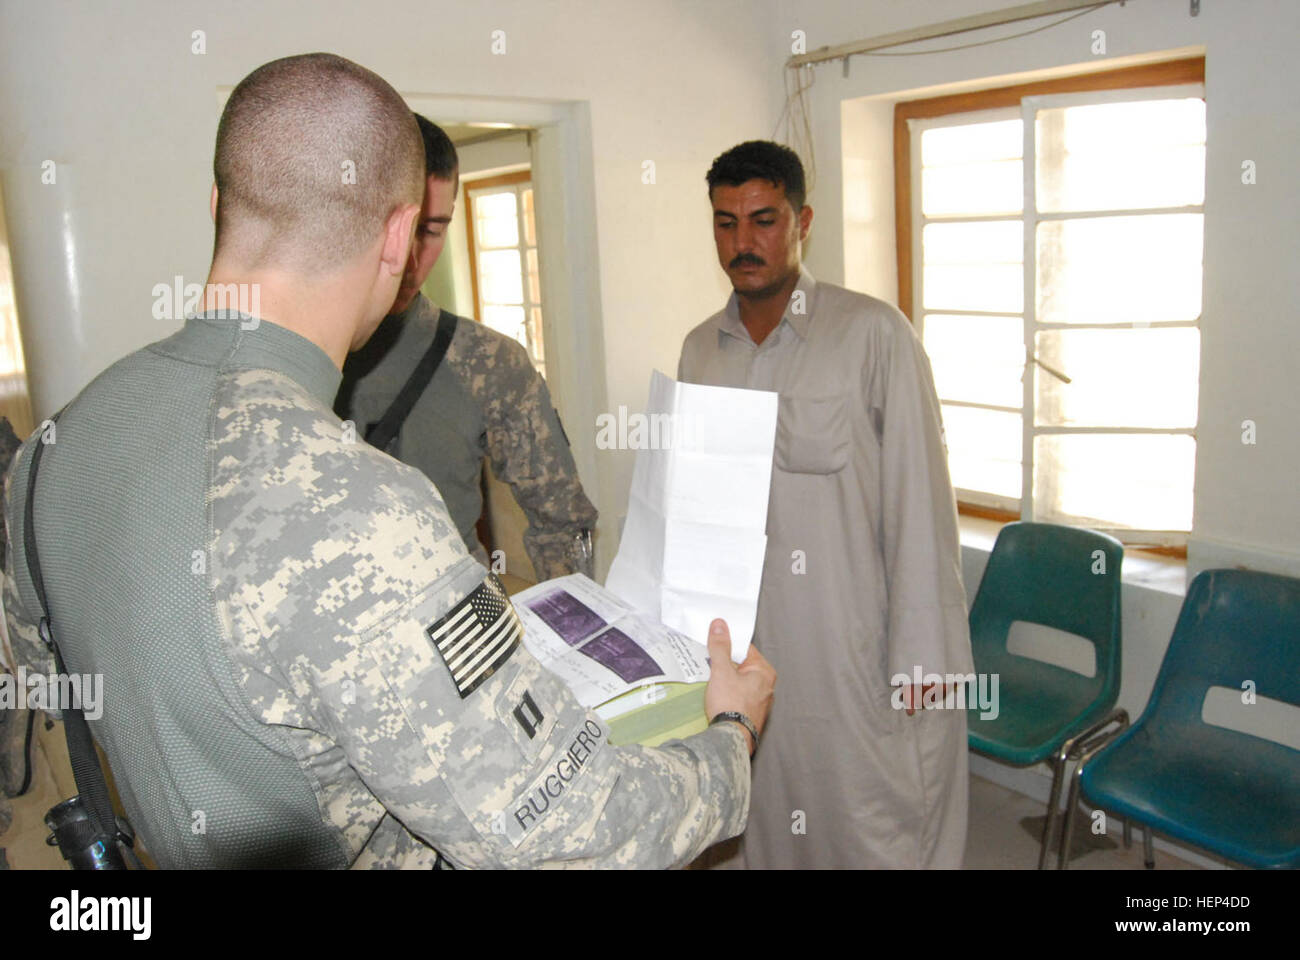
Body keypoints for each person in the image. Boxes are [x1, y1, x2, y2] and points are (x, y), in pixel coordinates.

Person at [1, 54, 774, 869]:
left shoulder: (56, 450)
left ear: (220, 205)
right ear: (403, 238)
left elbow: (53, 682)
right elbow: (568, 835)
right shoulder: (361, 512)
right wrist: (730, 737)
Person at [678, 140, 972, 869]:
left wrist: (923, 660)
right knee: (766, 810)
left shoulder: (873, 335)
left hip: (853, 642)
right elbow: (691, 508)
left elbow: (922, 507)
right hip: (753, 644)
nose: (743, 243)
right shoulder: (698, 352)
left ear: (803, 221)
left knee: (875, 814)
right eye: (724, 223)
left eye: (764, 220)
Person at [335, 115, 596, 581]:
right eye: (402, 227)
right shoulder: (291, 352)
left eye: (433, 230)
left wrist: (565, 633)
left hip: (463, 635)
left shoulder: (489, 363)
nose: (412, 257)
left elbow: (564, 523)